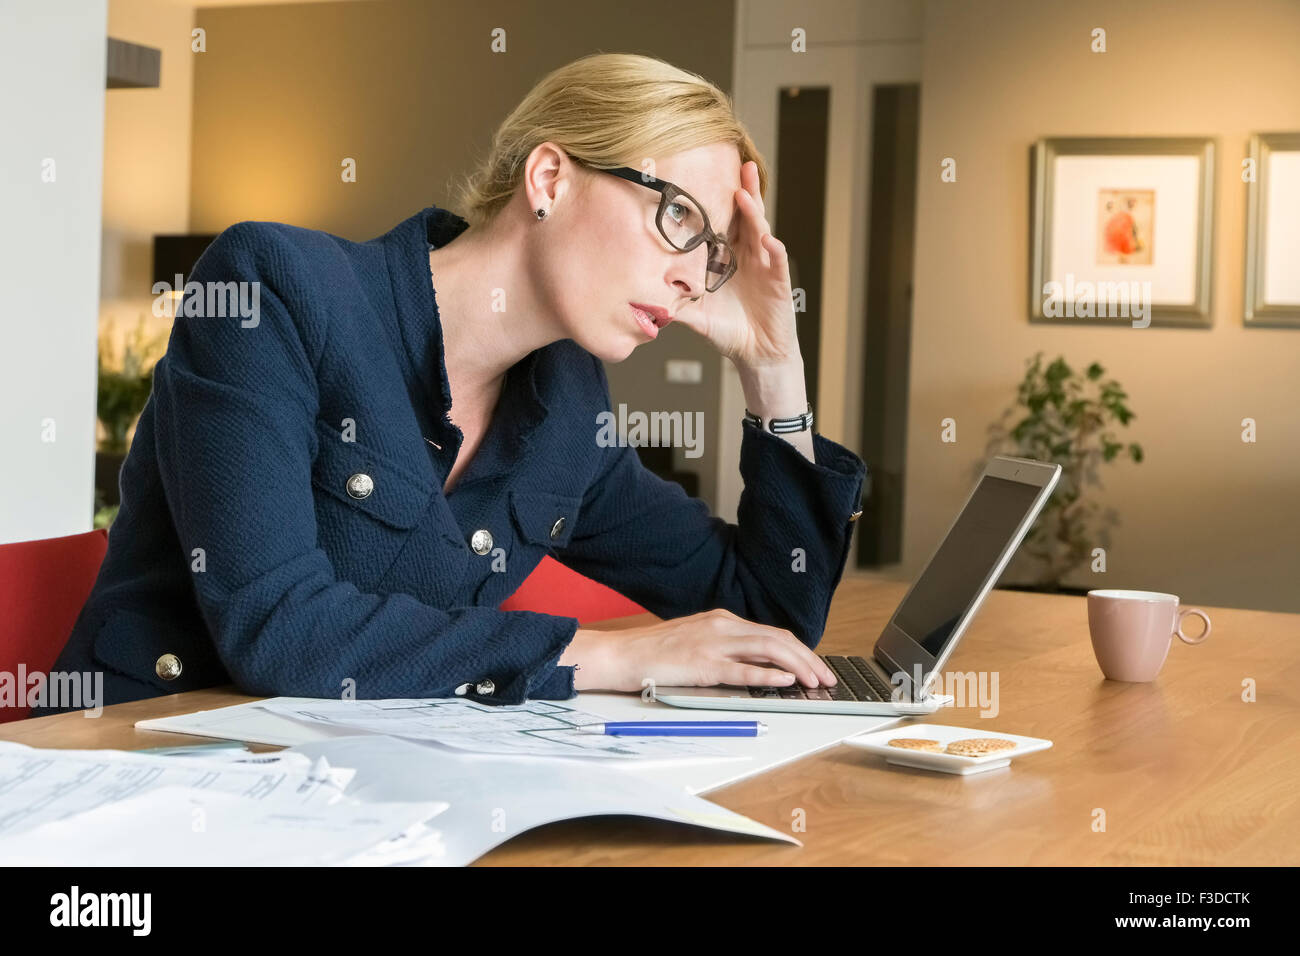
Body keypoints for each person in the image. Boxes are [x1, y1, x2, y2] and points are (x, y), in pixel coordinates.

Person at [33, 52, 867, 716]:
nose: (694, 276)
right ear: (550, 179)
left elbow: (772, 619)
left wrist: (772, 368)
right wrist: (609, 655)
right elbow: (278, 627)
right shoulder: (273, 290)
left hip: (362, 789)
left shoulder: (566, 413)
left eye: (712, 253)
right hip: (140, 761)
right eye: (679, 217)